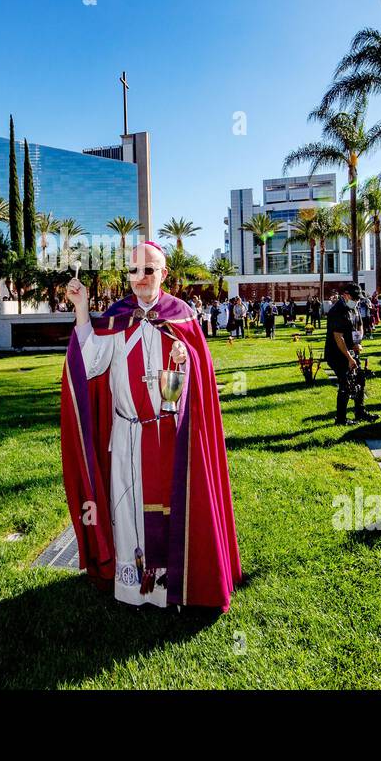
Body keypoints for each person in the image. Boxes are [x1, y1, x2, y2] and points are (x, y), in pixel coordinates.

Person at [61, 241, 242, 610]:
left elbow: (198, 378)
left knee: (171, 509)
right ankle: (134, 585)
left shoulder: (182, 316)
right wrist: (82, 311)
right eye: (133, 270)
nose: (140, 278)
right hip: (127, 434)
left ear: (164, 274)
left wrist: (184, 358)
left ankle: (169, 585)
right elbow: (92, 364)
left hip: (169, 432)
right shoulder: (116, 317)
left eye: (149, 270)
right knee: (127, 512)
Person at [325, 282, 380, 426]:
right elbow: (338, 338)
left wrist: (358, 341)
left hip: (351, 350)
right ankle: (341, 419)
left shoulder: (354, 308)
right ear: (346, 296)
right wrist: (349, 358)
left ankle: (360, 412)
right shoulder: (337, 311)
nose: (357, 301)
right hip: (337, 353)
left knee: (360, 379)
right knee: (346, 384)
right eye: (354, 298)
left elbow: (360, 325)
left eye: (358, 298)